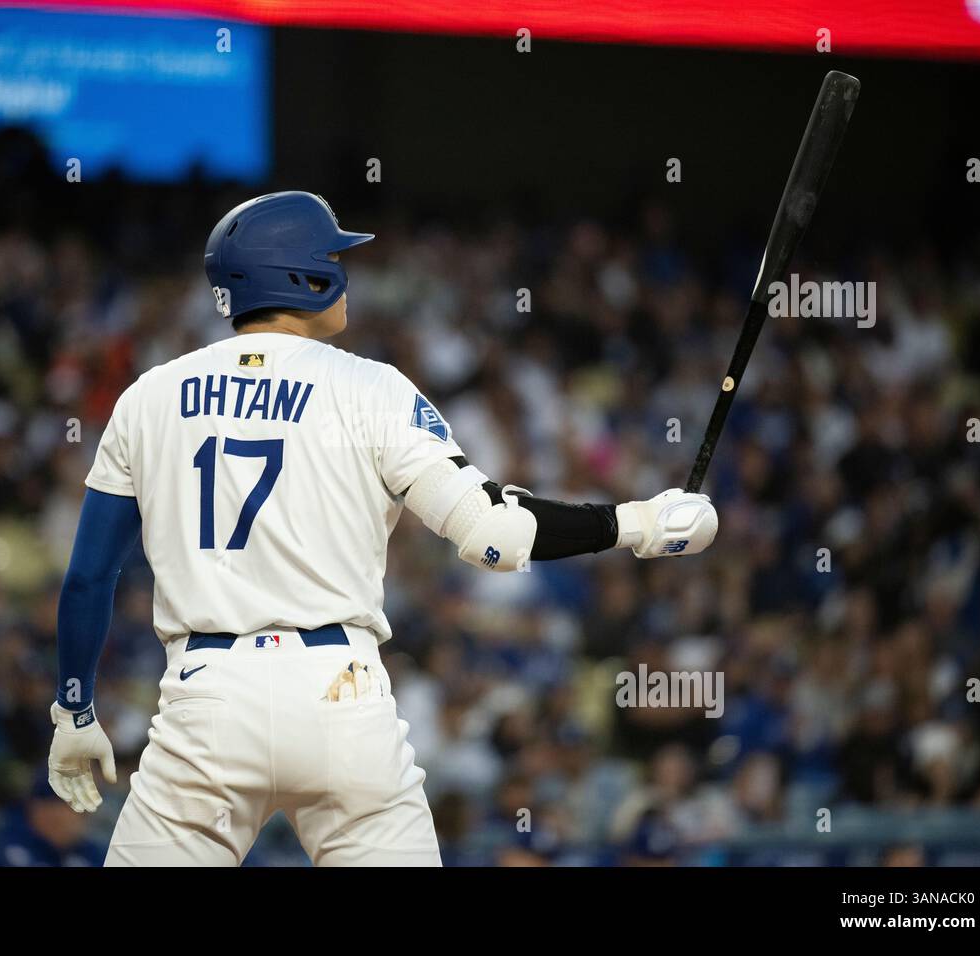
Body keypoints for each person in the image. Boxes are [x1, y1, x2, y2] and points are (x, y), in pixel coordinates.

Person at [46, 191, 718, 866]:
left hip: (206, 697)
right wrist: (640, 522)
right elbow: (493, 534)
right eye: (334, 256)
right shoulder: (372, 388)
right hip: (339, 694)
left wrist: (75, 710)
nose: (347, 271)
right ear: (304, 276)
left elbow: (87, 577)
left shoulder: (151, 396)